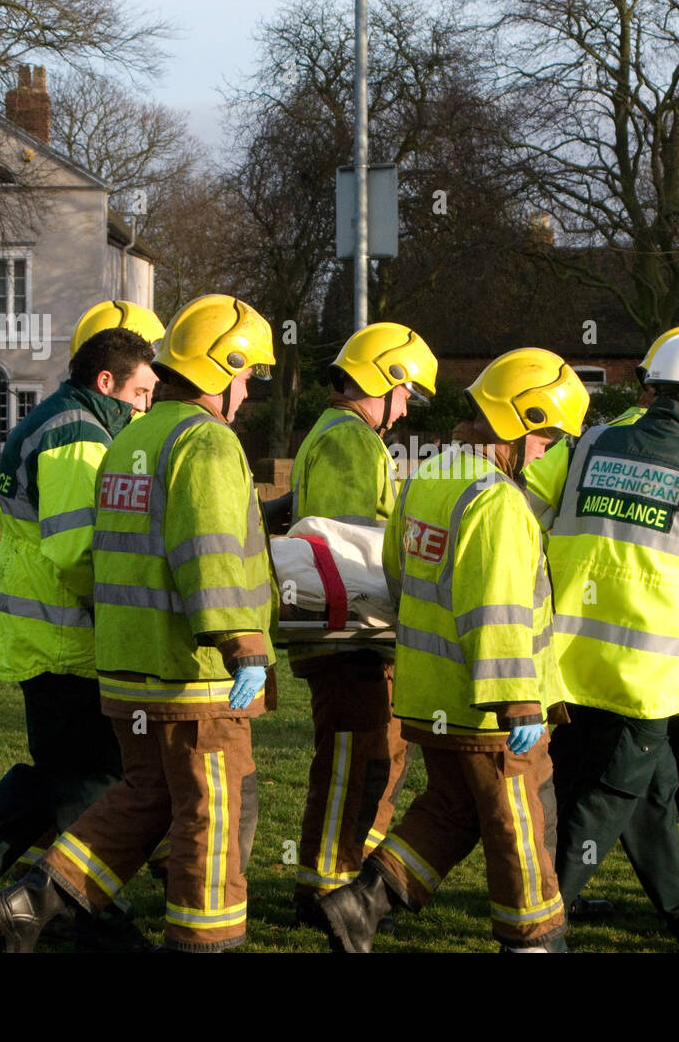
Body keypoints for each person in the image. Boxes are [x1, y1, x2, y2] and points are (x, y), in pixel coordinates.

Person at [0, 293, 279, 953]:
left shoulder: (131, 437)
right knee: (211, 812)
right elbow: (208, 553)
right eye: (247, 372)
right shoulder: (205, 441)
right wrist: (244, 643)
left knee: (144, 799)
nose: (249, 387)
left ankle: (36, 899)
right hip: (194, 672)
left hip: (125, 669)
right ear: (220, 367)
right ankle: (206, 942)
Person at [0, 304, 162, 953]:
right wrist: (136, 608)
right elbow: (79, 551)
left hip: (43, 640)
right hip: (66, 643)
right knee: (96, 784)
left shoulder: (59, 419)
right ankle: (84, 919)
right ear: (108, 382)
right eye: (142, 393)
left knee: (58, 781)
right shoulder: (79, 436)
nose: (146, 408)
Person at [316, 349, 589, 953]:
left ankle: (363, 904)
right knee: (520, 820)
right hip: (490, 706)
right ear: (520, 424)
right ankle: (536, 939)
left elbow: (395, 571)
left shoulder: (429, 478)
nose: (548, 453)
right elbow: (497, 611)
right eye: (547, 439)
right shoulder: (496, 501)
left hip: (430, 696)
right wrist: (517, 699)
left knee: (451, 809)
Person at [525, 331, 679, 952]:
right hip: (652, 675)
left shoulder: (583, 445)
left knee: (652, 791)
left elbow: (527, 514)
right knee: (610, 797)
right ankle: (537, 915)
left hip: (570, 662)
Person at [287, 323, 438, 925]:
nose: (404, 411)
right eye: (405, 395)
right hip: (351, 631)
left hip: (348, 629)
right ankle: (328, 890)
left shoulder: (338, 434)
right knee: (357, 757)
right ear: (385, 380)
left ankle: (344, 884)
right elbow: (354, 551)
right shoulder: (352, 441)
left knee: (370, 756)